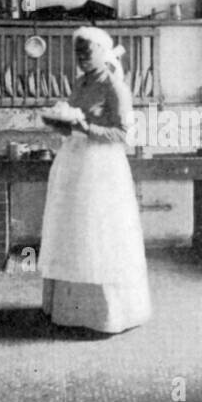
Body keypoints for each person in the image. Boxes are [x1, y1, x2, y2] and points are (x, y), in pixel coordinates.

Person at [37, 26, 151, 334]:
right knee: (73, 231)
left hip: (102, 169)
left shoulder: (115, 87)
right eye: (79, 52)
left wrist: (86, 127)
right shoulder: (80, 83)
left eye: (88, 51)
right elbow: (74, 125)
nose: (83, 57)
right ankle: (68, 310)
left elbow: (124, 134)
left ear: (103, 52)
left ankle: (105, 315)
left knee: (98, 234)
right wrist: (57, 124)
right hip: (75, 163)